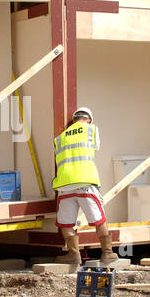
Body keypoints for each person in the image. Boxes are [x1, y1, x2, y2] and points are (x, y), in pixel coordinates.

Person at [51, 106, 115, 267]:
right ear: (88, 119)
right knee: (99, 219)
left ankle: (73, 255)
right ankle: (107, 253)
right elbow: (96, 147)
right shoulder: (91, 129)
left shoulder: (60, 137)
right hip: (85, 182)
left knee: (66, 223)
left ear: (73, 120)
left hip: (64, 184)